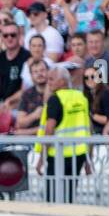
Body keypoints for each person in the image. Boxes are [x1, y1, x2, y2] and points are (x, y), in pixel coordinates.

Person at [36, 66, 90, 202]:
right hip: (78, 154)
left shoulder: (55, 99)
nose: (48, 82)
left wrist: (41, 158)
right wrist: (89, 160)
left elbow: (49, 130)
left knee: (53, 197)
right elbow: (88, 128)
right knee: (69, 195)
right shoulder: (80, 97)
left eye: (52, 79)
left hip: (58, 155)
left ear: (62, 82)